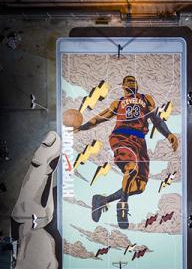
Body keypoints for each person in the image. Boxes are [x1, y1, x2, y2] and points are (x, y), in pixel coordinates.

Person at [76, 75, 178, 228]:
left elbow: (156, 119)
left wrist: (168, 134)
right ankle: (123, 206)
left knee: (140, 186)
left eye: (133, 80)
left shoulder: (146, 99)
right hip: (121, 137)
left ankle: (102, 200)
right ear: (123, 86)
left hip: (140, 141)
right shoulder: (118, 103)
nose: (131, 82)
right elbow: (99, 118)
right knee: (131, 167)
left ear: (137, 85)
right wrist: (82, 127)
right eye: (128, 81)